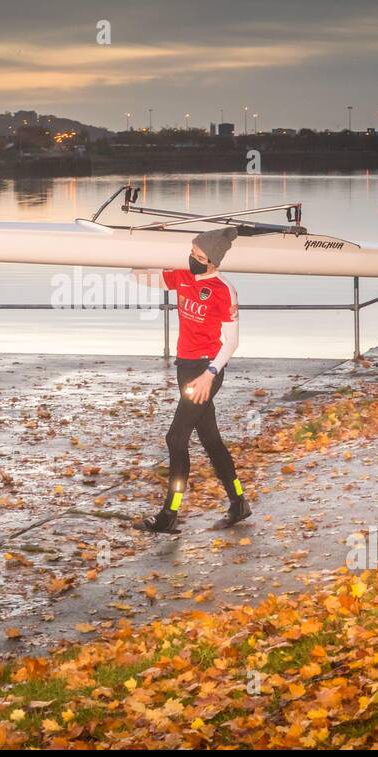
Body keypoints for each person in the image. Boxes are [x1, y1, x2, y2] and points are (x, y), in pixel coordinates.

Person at [131, 225, 249, 533]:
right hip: (184, 366)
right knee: (210, 440)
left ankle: (169, 514)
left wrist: (210, 376)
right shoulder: (182, 276)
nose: (192, 259)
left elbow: (231, 342)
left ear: (212, 261)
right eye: (191, 253)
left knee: (176, 438)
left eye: (198, 256)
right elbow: (140, 277)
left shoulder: (224, 290)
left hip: (206, 371)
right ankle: (239, 502)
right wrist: (134, 249)